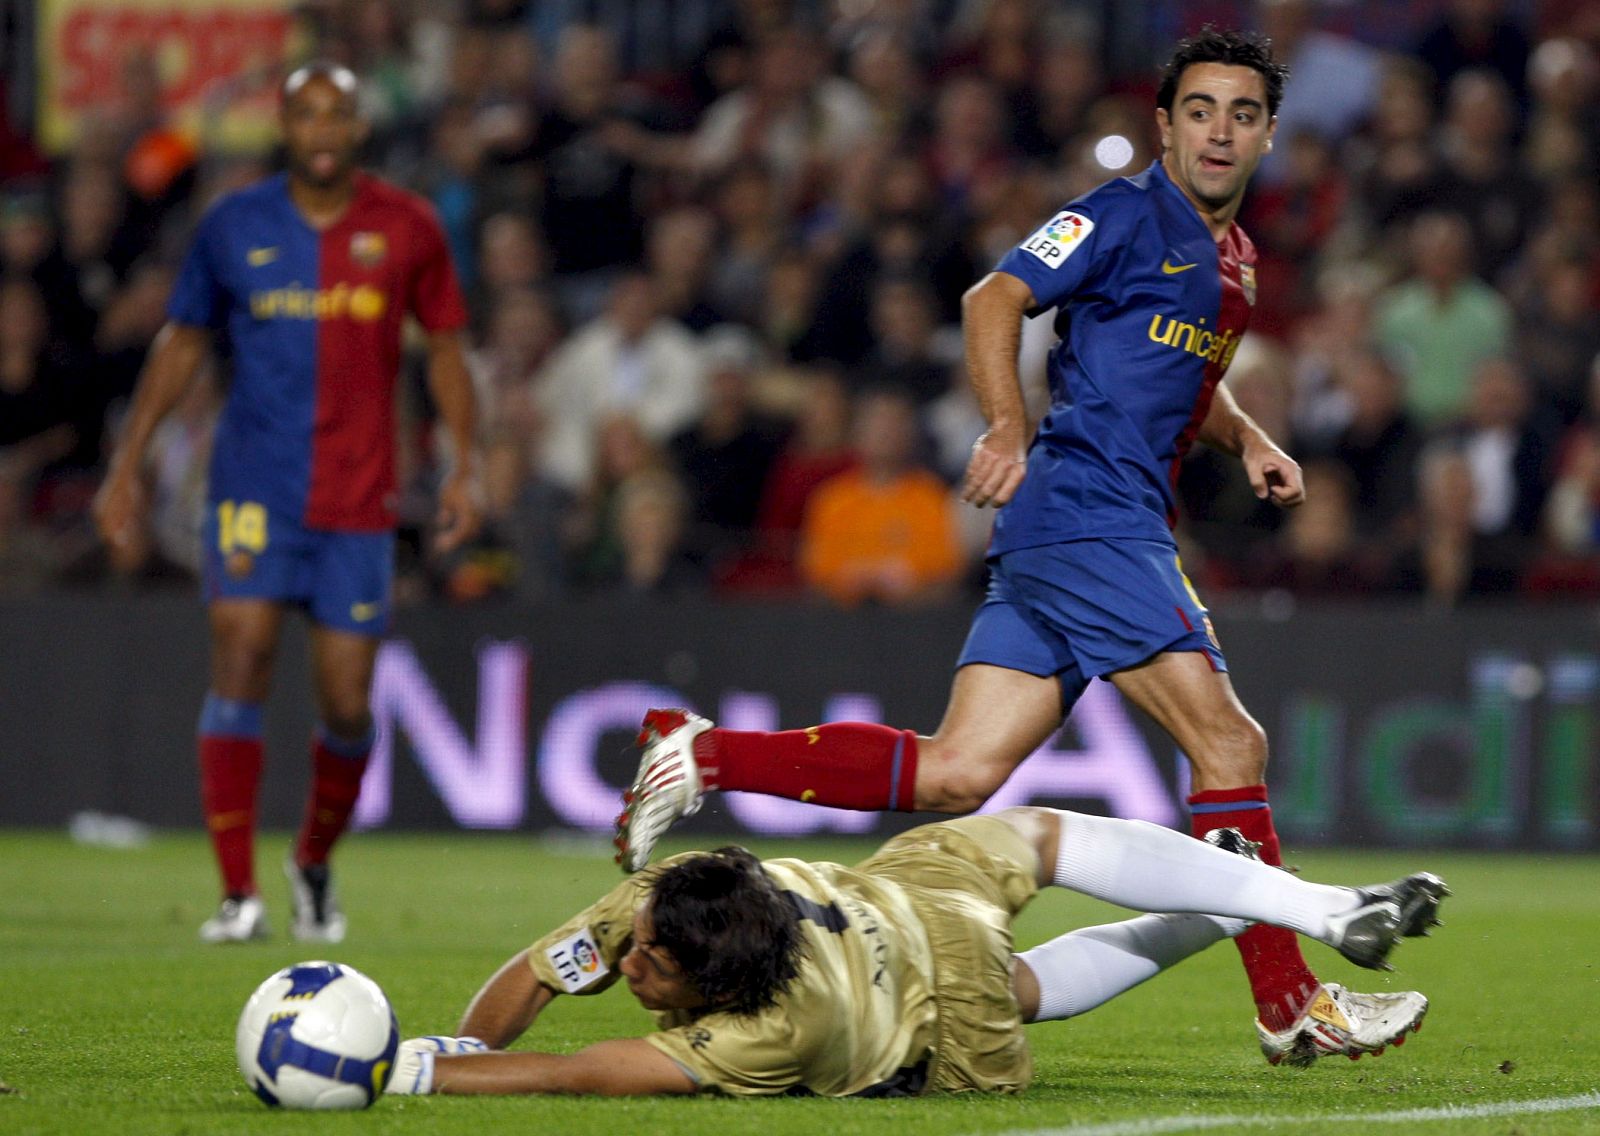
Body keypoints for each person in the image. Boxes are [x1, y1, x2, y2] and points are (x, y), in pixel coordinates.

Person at [615, 28, 1425, 1066]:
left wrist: (1249, 434)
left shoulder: (1234, 263)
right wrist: (1004, 422)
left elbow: (1181, 380)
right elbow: (992, 297)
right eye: (1199, 110)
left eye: (1242, 113)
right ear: (1163, 125)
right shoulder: (1122, 212)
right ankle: (1291, 1001)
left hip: (1077, 529)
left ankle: (702, 751)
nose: (1219, 131)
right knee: (1231, 747)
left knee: (958, 772)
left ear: (1268, 134)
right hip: (1091, 515)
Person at [93, 62, 479, 944]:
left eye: (336, 115)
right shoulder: (233, 224)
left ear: (357, 129)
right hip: (253, 488)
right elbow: (183, 341)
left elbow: (448, 351)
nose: (321, 131)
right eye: (305, 115)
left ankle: (312, 861)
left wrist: (465, 466)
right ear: (285, 126)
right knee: (242, 650)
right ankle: (238, 896)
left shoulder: (407, 226)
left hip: (357, 496)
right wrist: (128, 460)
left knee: (347, 701)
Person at [386, 809, 1448, 1097]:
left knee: (1015, 990)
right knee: (1043, 833)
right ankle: (1271, 899)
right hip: (910, 885)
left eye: (652, 967)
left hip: (930, 1009)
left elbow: (582, 1069)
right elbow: (542, 971)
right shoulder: (674, 898)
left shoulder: (767, 1029)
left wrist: (437, 1067)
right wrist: (462, 1045)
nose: (631, 961)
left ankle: (1231, 907)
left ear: (716, 989)